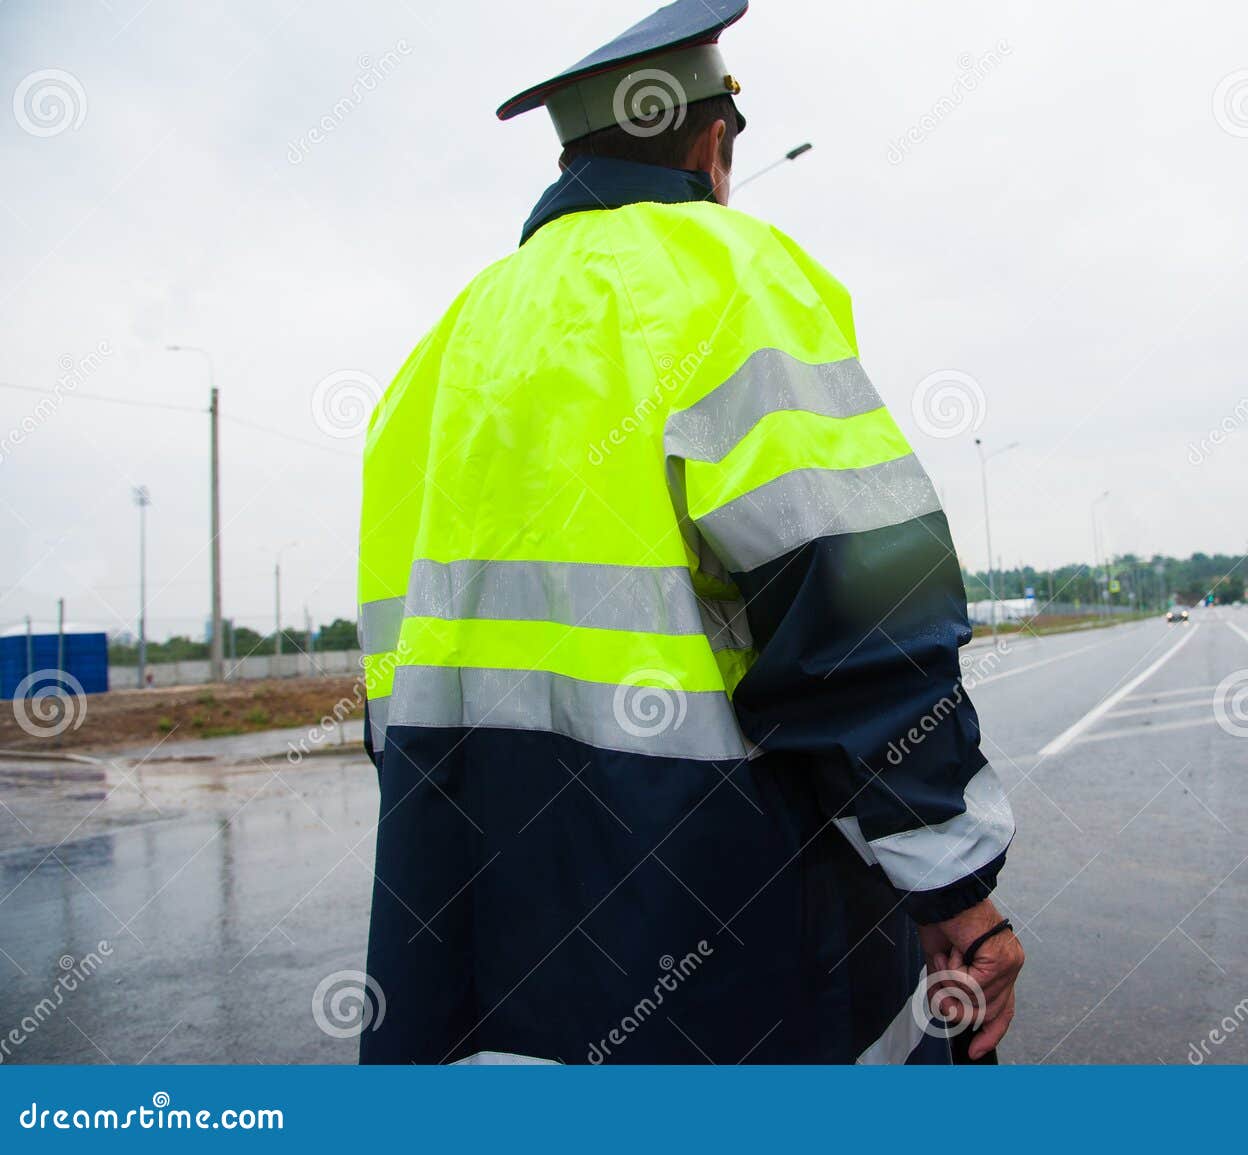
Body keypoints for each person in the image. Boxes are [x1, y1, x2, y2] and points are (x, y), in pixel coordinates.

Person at [357, 0, 1020, 1065]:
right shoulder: (728, 278)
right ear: (712, 143)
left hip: (471, 944)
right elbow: (853, 603)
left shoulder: (438, 352)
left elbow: (395, 697)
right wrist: (953, 882)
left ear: (572, 152)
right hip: (721, 924)